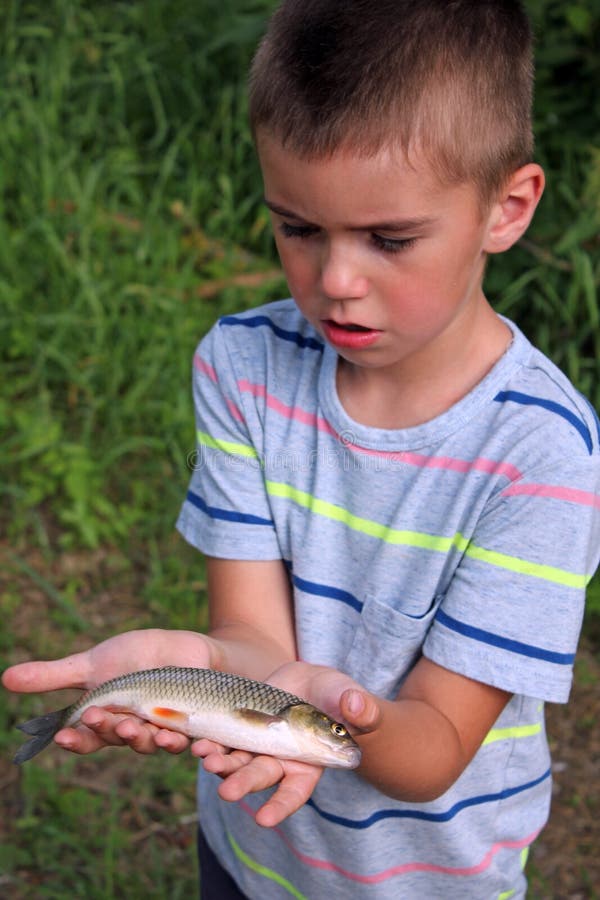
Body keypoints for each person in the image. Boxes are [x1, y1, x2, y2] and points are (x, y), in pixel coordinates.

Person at [4, 1, 600, 897]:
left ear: (505, 208)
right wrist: (189, 672)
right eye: (298, 227)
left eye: (389, 239)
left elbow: (433, 748)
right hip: (251, 853)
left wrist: (345, 717)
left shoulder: (542, 454)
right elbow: (250, 638)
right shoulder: (243, 367)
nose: (336, 281)